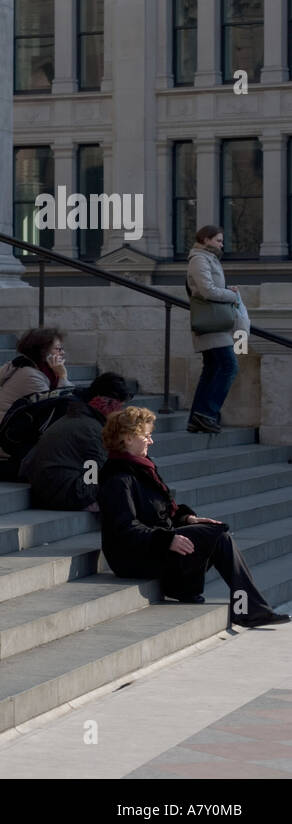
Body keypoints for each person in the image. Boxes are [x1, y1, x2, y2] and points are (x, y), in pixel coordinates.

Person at [97, 407, 289, 628]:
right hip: (133, 558)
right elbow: (124, 529)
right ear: (128, 438)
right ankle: (247, 609)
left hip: (152, 546)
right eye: (146, 436)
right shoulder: (118, 478)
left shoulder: (142, 468)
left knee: (216, 533)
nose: (151, 441)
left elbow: (164, 510)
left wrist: (188, 520)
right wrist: (167, 539)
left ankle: (245, 608)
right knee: (218, 536)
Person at [19, 372, 134, 511]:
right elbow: (99, 470)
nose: (121, 413)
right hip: (64, 492)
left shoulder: (77, 417)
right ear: (107, 404)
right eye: (120, 407)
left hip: (53, 486)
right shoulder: (91, 429)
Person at [186, 225, 247, 434]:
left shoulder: (209, 259)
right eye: (218, 240)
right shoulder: (199, 259)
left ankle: (197, 418)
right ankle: (206, 413)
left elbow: (210, 288)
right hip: (211, 324)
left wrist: (226, 290)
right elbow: (206, 290)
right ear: (205, 239)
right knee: (229, 367)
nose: (221, 244)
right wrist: (232, 296)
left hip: (215, 324)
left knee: (211, 369)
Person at [0, 327, 73, 459]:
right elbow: (58, 406)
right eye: (58, 349)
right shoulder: (30, 376)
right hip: (11, 442)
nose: (62, 353)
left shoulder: (44, 372)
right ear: (43, 351)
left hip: (23, 434)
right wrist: (63, 376)